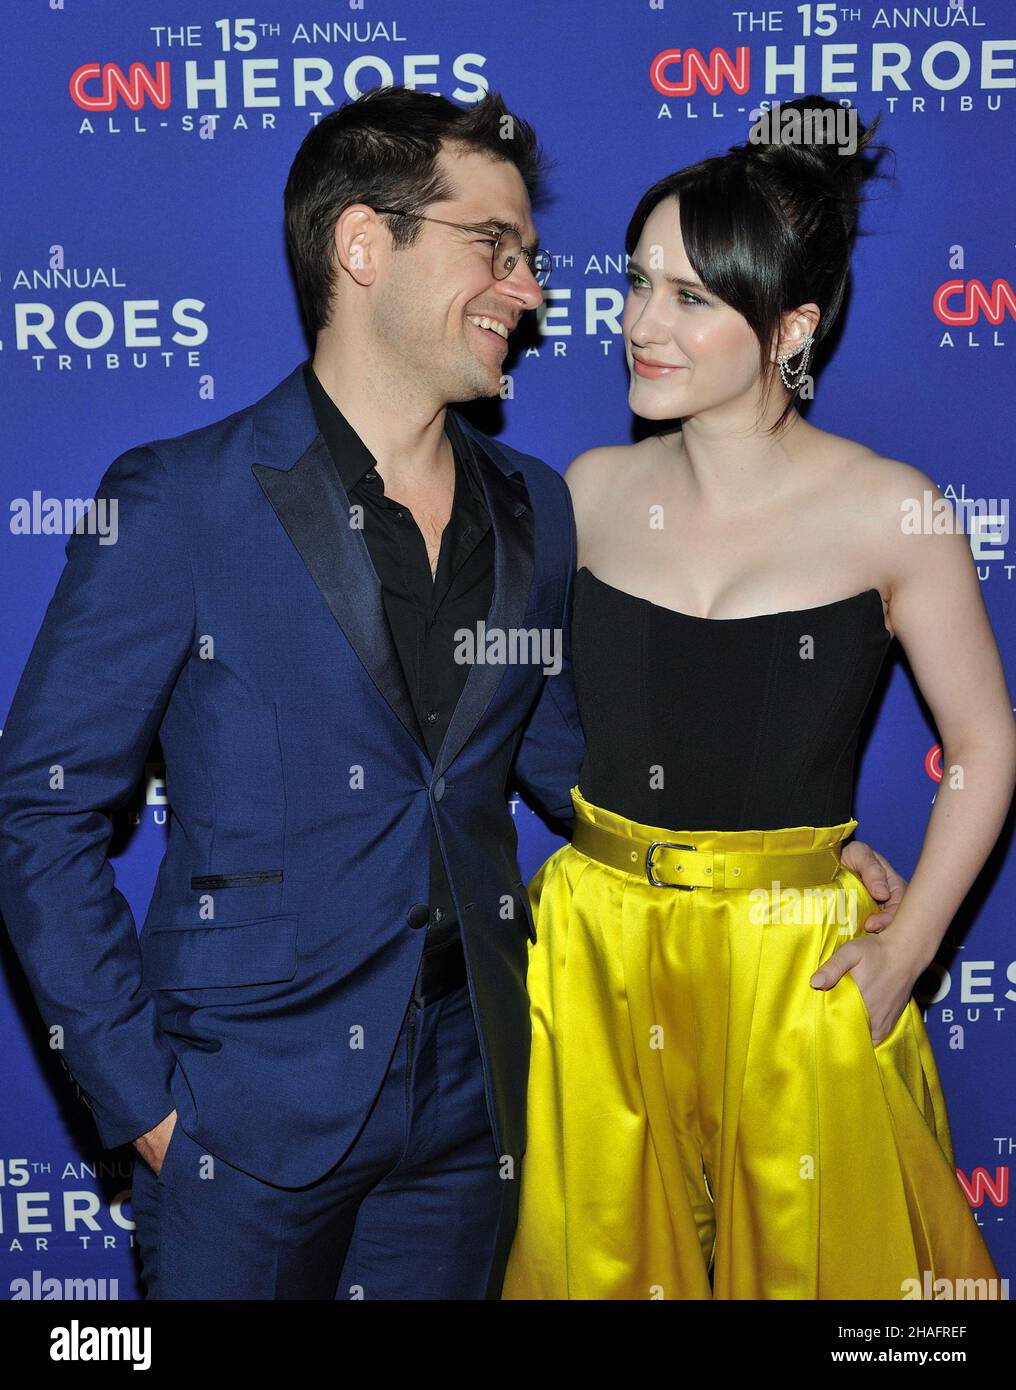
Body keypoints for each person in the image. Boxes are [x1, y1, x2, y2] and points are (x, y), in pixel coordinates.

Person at [0, 86, 906, 1302]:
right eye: (494, 245)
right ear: (364, 246)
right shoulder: (180, 500)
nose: (529, 290)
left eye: (529, 256)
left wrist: (768, 852)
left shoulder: (534, 508)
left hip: (474, 1106)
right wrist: (149, 1108)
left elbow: (577, 764)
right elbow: (41, 814)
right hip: (242, 1122)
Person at [502, 97, 1014, 1300]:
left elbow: (984, 748)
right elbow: (529, 720)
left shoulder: (891, 510)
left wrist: (912, 942)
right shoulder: (591, 488)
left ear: (789, 328)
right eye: (636, 283)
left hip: (798, 973)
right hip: (596, 955)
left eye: (689, 298)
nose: (639, 325)